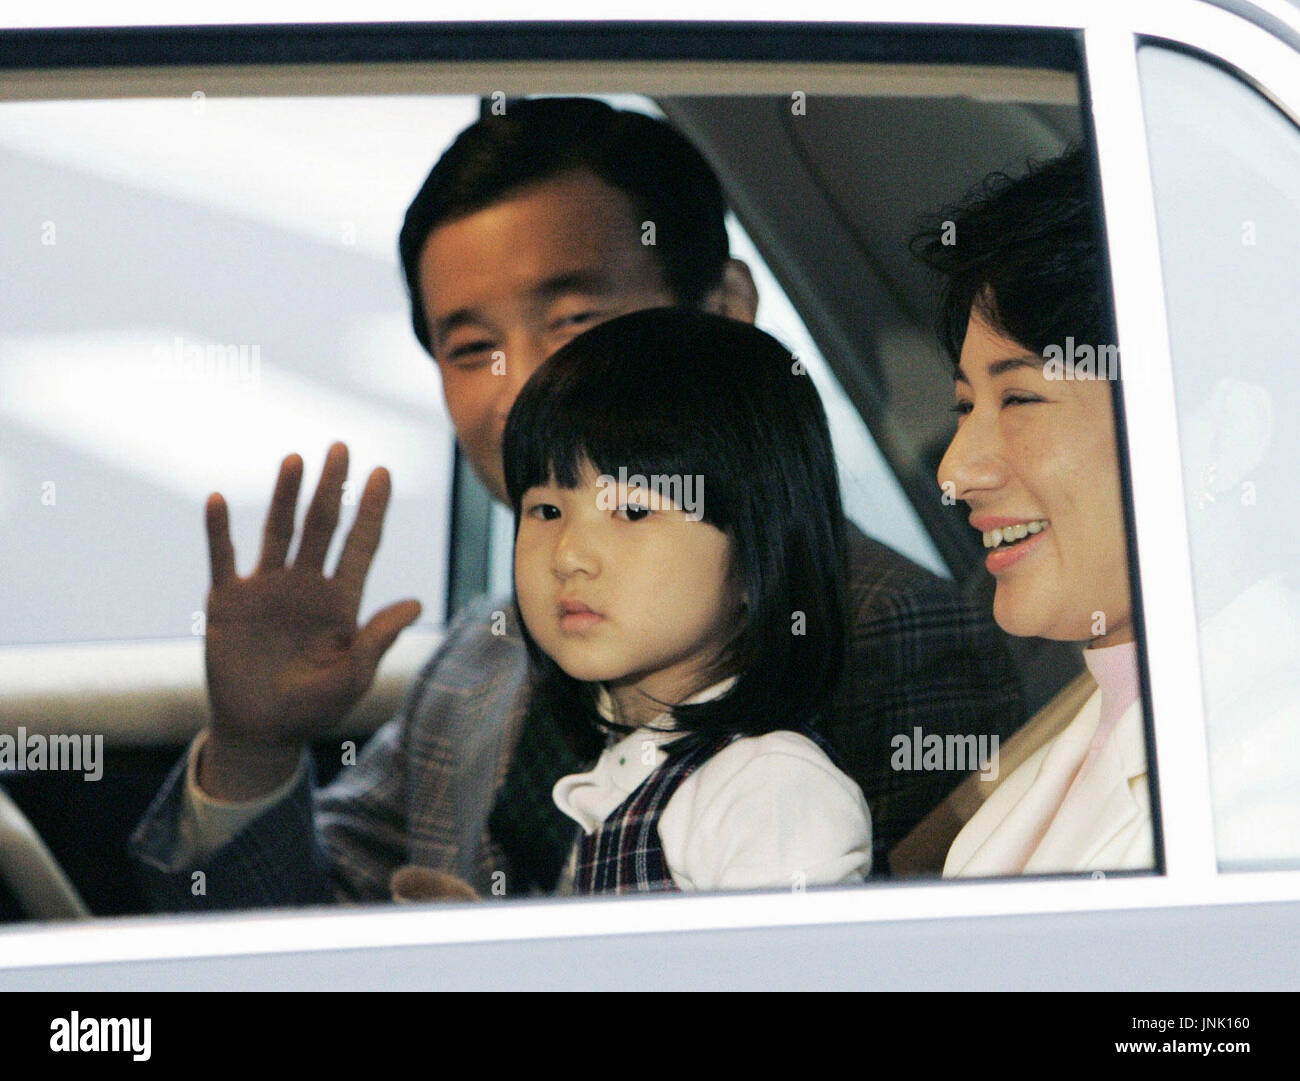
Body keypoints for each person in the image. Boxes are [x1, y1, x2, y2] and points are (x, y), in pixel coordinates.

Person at [130, 97, 1023, 909]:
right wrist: (253, 747)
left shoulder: (889, 636)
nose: (523, 385)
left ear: (724, 313)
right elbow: (295, 939)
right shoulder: (482, 654)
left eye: (573, 324)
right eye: (472, 346)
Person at [504, 308, 872, 892]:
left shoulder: (767, 789)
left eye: (632, 510)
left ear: (756, 553)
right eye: (546, 510)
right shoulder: (624, 775)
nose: (569, 555)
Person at [909, 148, 1153, 876]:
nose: (955, 471)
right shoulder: (1060, 758)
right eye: (963, 406)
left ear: (1219, 426)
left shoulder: (1259, 783)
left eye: (1018, 398)